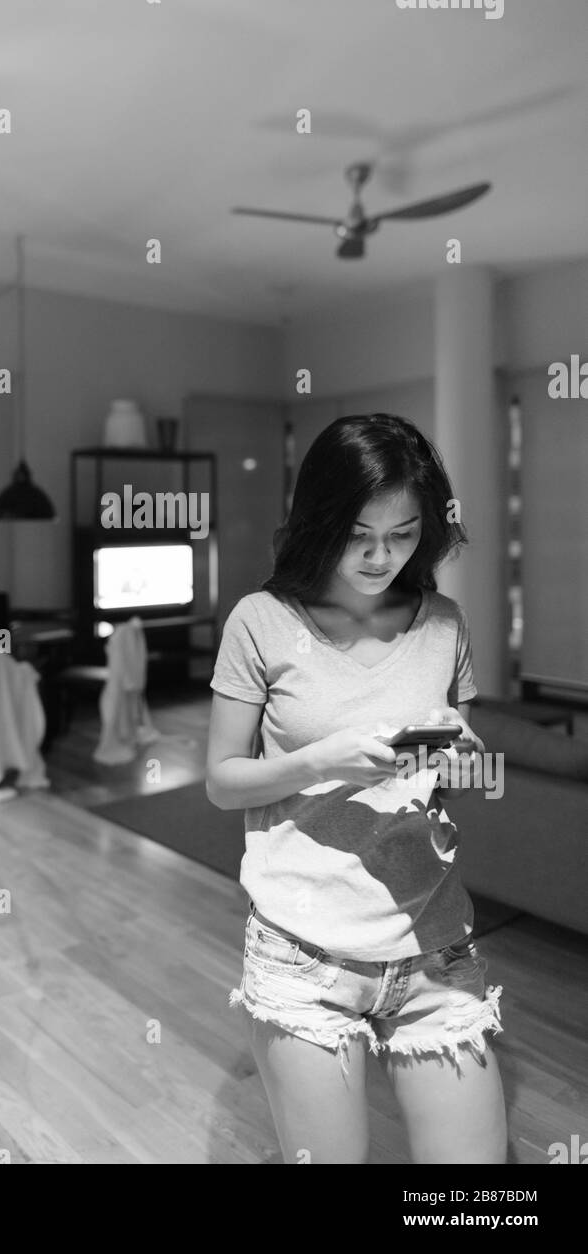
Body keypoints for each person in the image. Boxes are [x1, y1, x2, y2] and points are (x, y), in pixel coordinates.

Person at [206, 413, 506, 1164]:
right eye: (357, 535)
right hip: (304, 949)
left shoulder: (442, 624)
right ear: (319, 522)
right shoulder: (261, 621)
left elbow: (446, 779)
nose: (379, 557)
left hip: (434, 944)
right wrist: (319, 762)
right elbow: (221, 781)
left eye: (402, 535)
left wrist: (464, 766)